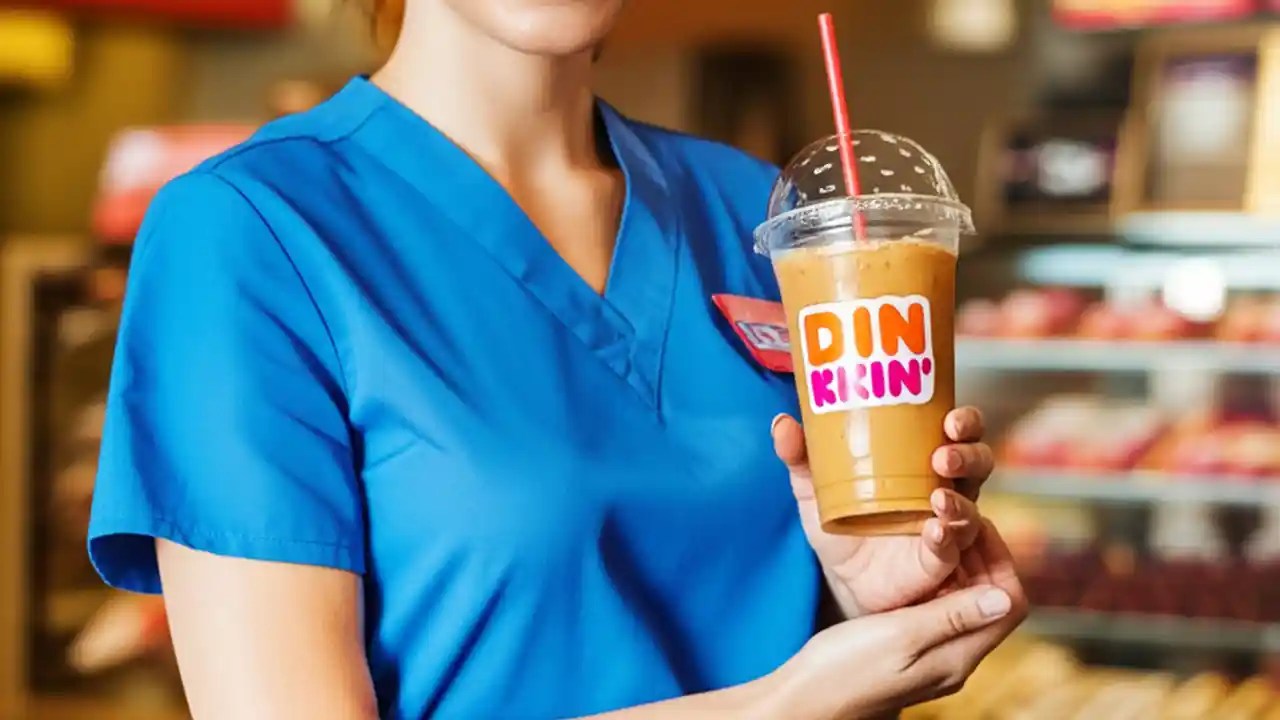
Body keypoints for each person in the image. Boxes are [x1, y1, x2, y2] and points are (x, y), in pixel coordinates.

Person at [87, 0, 1027, 718]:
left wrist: (866, 600)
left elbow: (788, 629)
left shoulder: (755, 210)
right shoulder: (249, 229)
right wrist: (775, 706)